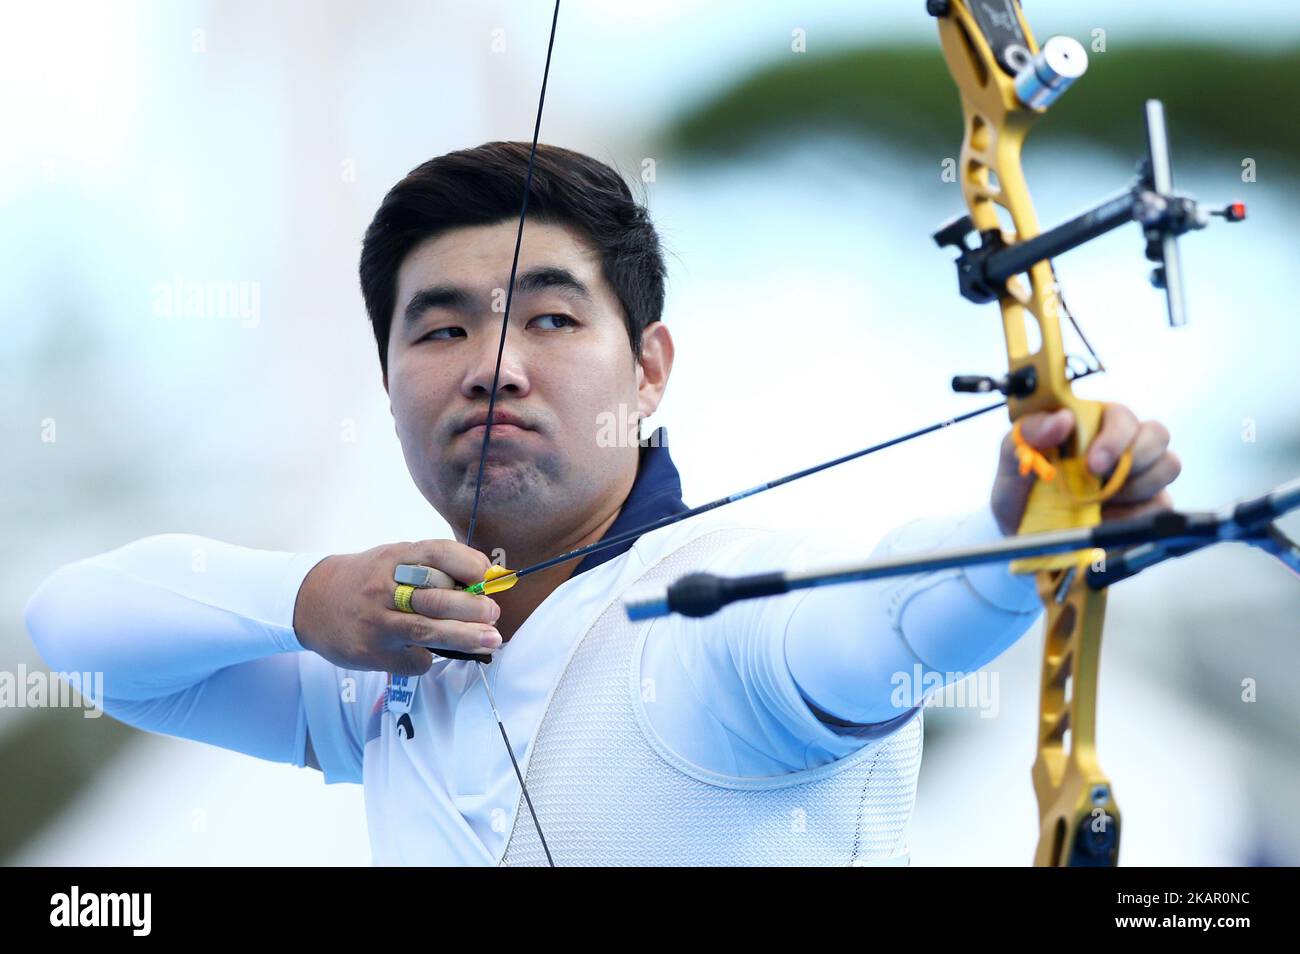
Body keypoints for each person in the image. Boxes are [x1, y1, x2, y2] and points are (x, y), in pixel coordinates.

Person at [23, 141, 1180, 865]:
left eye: (553, 317)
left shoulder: (714, 611)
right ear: (387, 384)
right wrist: (310, 594)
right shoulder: (384, 673)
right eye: (439, 327)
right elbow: (75, 631)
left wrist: (1014, 543)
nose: (492, 364)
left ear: (650, 368)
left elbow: (883, 622)